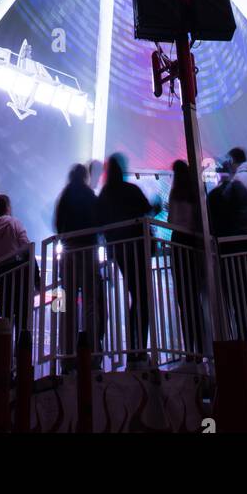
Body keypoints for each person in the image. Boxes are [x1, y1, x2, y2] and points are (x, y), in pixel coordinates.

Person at [96, 154, 158, 364]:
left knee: (136, 296)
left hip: (121, 252)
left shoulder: (105, 194)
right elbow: (147, 209)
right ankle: (139, 347)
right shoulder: (130, 190)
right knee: (143, 298)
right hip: (139, 248)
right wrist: (156, 207)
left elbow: (101, 221)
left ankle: (134, 348)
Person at [55, 164, 101, 362]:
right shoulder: (90, 195)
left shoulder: (64, 196)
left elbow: (57, 223)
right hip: (88, 250)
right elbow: (99, 221)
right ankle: (92, 353)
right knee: (91, 303)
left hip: (69, 251)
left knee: (67, 305)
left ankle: (67, 353)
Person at [167, 160, 205, 358]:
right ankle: (203, 344)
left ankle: (190, 347)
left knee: (184, 298)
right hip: (194, 244)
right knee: (195, 297)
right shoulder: (195, 193)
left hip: (178, 244)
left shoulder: (175, 194)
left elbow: (171, 221)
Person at [0, 195, 32, 349]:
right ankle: (21, 360)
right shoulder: (14, 223)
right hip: (18, 276)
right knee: (22, 319)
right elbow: (26, 246)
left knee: (6, 319)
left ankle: (6, 361)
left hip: (2, 278)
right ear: (7, 207)